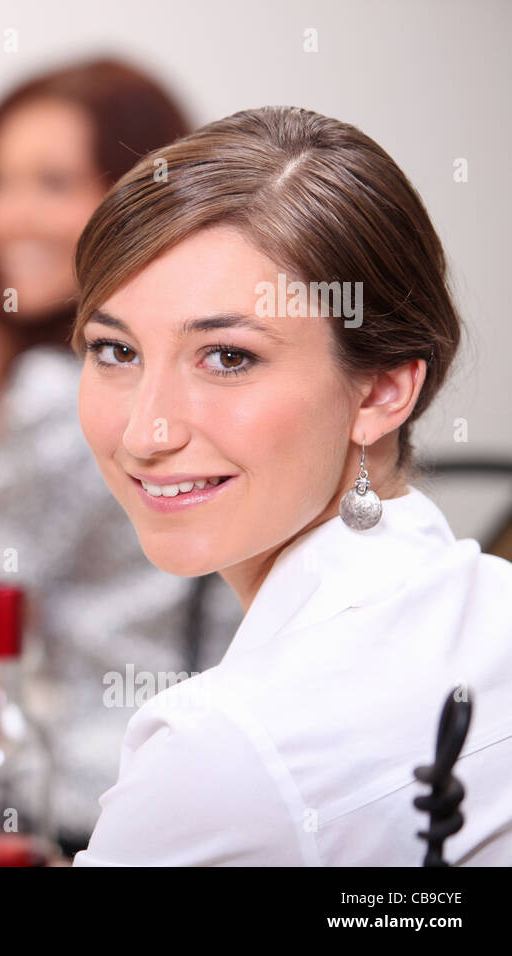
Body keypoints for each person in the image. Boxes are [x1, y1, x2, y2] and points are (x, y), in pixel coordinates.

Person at [69, 105, 512, 865]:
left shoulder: (221, 750)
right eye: (115, 350)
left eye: (228, 358)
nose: (147, 433)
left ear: (379, 393)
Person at [0, 58, 244, 854]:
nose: (9, 217)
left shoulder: (57, 390)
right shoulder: (220, 362)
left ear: (141, 195)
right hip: (222, 770)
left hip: (94, 792)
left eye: (53, 183)